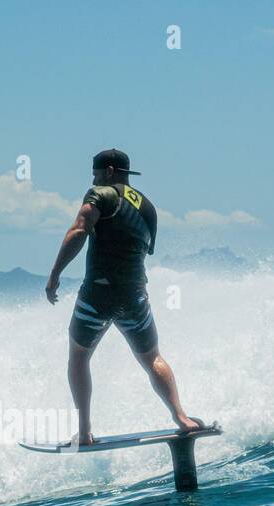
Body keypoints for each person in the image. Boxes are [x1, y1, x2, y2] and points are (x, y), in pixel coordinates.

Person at [45, 148, 200, 446]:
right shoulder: (148, 208)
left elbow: (79, 229)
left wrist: (55, 274)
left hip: (97, 295)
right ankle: (181, 417)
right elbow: (143, 249)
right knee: (152, 357)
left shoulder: (100, 194)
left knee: (78, 356)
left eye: (96, 172)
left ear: (110, 172)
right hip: (134, 297)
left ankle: (85, 431)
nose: (93, 178)